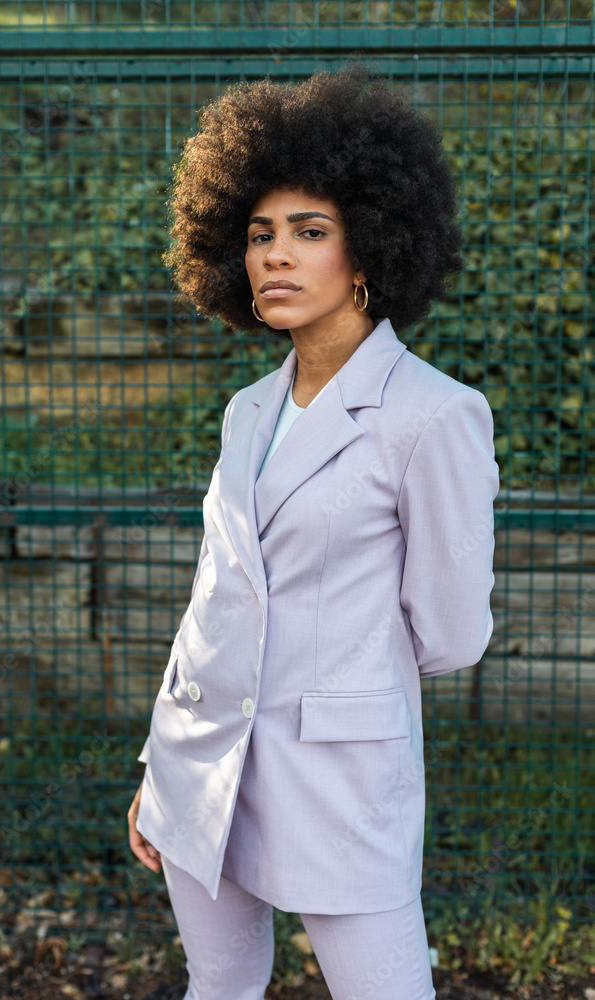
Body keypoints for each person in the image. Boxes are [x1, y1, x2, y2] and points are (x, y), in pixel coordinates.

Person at [128, 59, 499, 1000]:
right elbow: (217, 595)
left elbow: (451, 633)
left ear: (370, 248)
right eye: (258, 236)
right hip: (200, 769)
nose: (275, 256)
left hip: (337, 779)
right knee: (218, 990)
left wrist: (342, 671)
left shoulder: (432, 414)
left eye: (308, 232)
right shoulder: (247, 411)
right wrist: (161, 765)